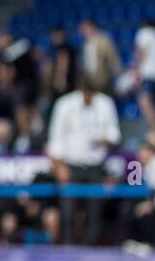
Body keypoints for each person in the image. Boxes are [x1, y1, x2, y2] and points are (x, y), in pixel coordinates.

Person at [46, 73, 120, 245]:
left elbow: (115, 135)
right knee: (68, 212)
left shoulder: (105, 103)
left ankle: (91, 251)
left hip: (96, 166)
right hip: (70, 165)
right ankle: (67, 249)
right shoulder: (64, 104)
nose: (89, 96)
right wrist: (59, 166)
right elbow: (55, 139)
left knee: (94, 213)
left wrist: (104, 140)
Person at [131, 18, 155, 123]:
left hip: (148, 74)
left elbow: (141, 52)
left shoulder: (144, 33)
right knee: (152, 103)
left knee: (144, 101)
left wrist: (136, 69)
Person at [78, 18, 121, 96]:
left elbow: (111, 57)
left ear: (92, 27)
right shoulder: (86, 44)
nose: (82, 31)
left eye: (84, 28)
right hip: (89, 79)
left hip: (102, 78)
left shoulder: (103, 40)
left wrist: (115, 72)